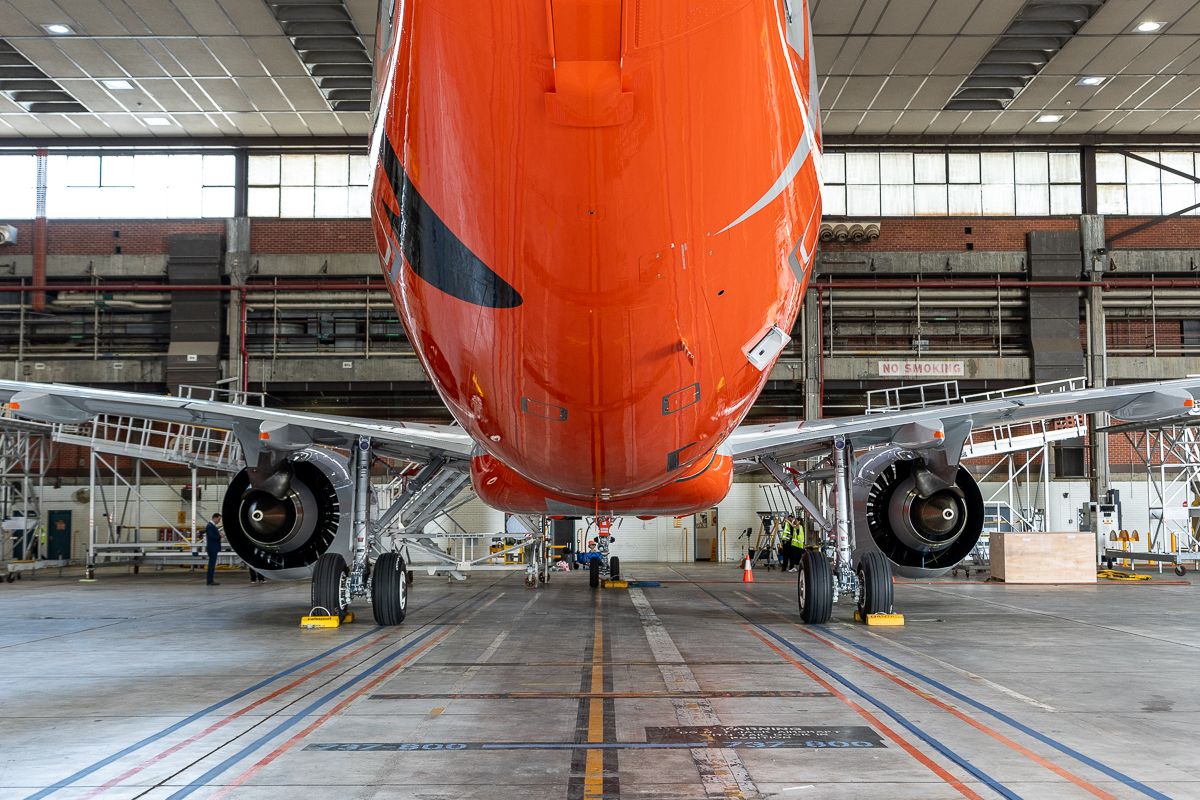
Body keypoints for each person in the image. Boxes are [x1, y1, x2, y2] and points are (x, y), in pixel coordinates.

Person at [205, 513, 222, 586]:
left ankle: (210, 580)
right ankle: (210, 581)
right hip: (212, 548)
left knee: (212, 565)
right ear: (214, 518)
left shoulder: (212, 526)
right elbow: (212, 537)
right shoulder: (210, 526)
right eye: (218, 519)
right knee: (211, 565)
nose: (219, 521)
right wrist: (220, 536)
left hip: (213, 548)